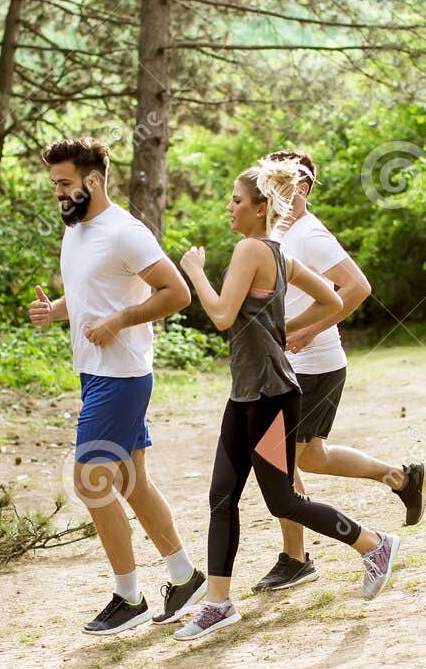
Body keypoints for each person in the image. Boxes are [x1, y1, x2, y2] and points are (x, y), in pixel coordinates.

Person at [172, 159, 404, 641]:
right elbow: (333, 302)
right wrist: (281, 331)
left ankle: (374, 543)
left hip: (272, 397)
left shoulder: (251, 250)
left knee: (282, 498)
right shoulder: (279, 253)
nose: (229, 208)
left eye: (236, 201)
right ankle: (218, 603)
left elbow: (219, 315)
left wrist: (194, 271)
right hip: (249, 393)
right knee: (223, 494)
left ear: (260, 209)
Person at [29, 136, 206, 633]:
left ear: (94, 180)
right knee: (133, 482)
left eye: (65, 184)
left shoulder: (125, 232)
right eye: (54, 185)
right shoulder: (78, 229)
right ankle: (185, 576)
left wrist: (121, 321)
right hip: (94, 372)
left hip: (121, 375)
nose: (59, 193)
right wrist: (58, 309)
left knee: (90, 479)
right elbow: (92, 291)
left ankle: (129, 597)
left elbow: (177, 293)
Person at [251, 150, 426, 594]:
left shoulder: (310, 234)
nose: (266, 192)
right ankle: (402, 476)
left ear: (303, 187)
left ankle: (296, 558)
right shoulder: (275, 234)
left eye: (277, 183)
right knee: (308, 456)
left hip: (313, 365)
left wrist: (309, 330)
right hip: (294, 363)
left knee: (278, 456)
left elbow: (357, 287)